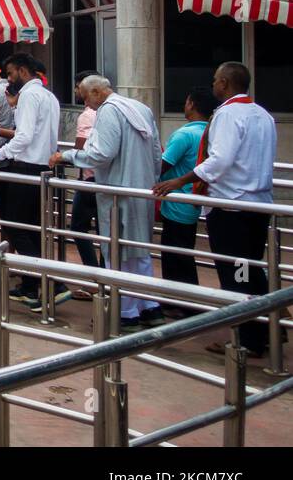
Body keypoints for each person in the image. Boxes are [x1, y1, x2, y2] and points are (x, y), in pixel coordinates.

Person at [153, 62, 277, 356]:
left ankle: (249, 338)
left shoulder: (228, 114)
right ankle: (266, 326)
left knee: (238, 271)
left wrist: (180, 180)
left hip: (232, 208)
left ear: (224, 83)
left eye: (215, 81)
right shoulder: (262, 114)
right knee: (248, 266)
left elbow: (219, 160)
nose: (213, 86)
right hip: (256, 205)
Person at [54, 75, 163, 331]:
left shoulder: (109, 111)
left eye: (83, 96)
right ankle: (149, 306)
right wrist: (150, 179)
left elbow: (102, 153)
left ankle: (124, 312)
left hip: (119, 190)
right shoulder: (140, 108)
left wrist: (66, 155)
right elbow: (157, 152)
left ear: (95, 92)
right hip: (141, 188)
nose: (85, 103)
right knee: (139, 251)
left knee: (117, 251)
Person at [0, 52, 70, 311]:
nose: (8, 78)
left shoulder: (29, 95)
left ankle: (51, 283)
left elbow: (23, 137)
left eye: (11, 73)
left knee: (15, 228)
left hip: (25, 168)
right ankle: (30, 285)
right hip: (41, 169)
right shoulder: (49, 96)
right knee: (31, 229)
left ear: (23, 71)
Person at [156, 86, 217, 301]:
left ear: (191, 104)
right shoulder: (209, 132)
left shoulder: (185, 134)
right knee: (184, 254)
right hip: (194, 204)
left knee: (176, 255)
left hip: (177, 203)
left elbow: (163, 165)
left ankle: (184, 302)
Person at [68, 71, 104, 280]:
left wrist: (65, 155)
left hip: (90, 180)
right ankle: (103, 278)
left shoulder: (88, 114)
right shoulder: (108, 112)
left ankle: (94, 277)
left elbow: (80, 148)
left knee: (78, 227)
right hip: (106, 180)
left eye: (77, 86)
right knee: (105, 232)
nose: (75, 91)